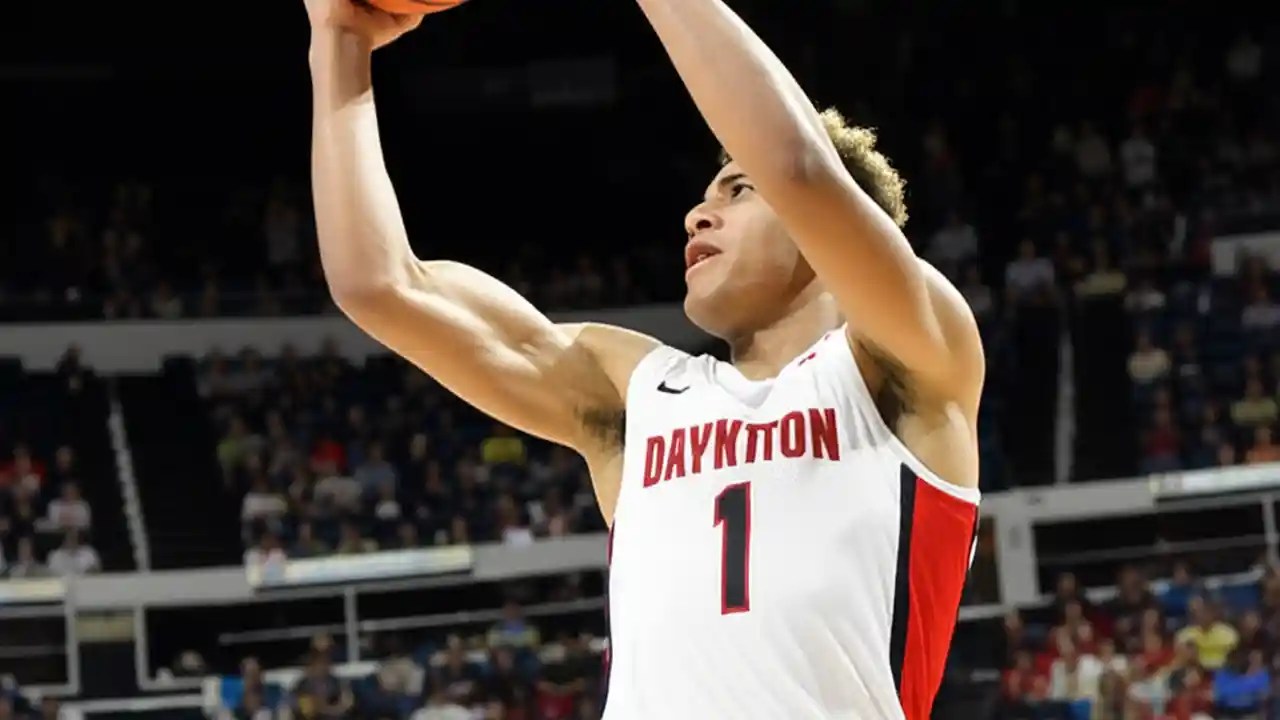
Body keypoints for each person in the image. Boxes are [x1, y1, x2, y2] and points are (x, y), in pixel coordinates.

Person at [301, 0, 984, 717]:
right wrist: (338, 39)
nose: (697, 215)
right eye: (703, 197)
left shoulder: (910, 363)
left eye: (738, 189)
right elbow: (378, 285)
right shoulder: (638, 394)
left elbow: (797, 165)